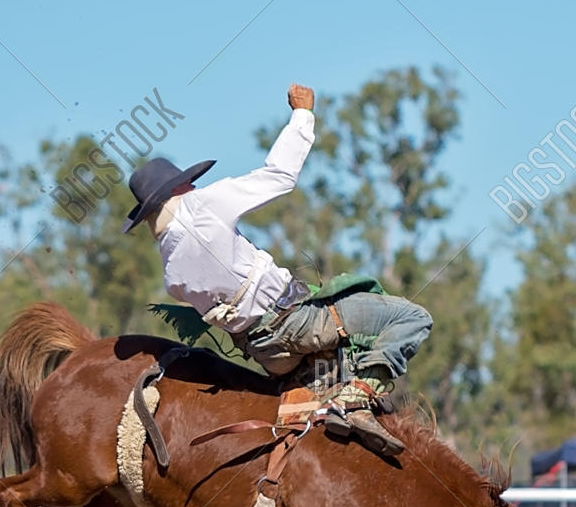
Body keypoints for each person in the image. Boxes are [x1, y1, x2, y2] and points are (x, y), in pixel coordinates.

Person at [124, 82, 432, 459]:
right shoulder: (203, 205)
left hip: (266, 352)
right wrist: (302, 115)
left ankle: (336, 403)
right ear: (179, 189)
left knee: (323, 369)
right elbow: (280, 175)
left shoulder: (172, 274)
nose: (192, 184)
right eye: (186, 181)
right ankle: (356, 399)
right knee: (412, 317)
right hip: (298, 321)